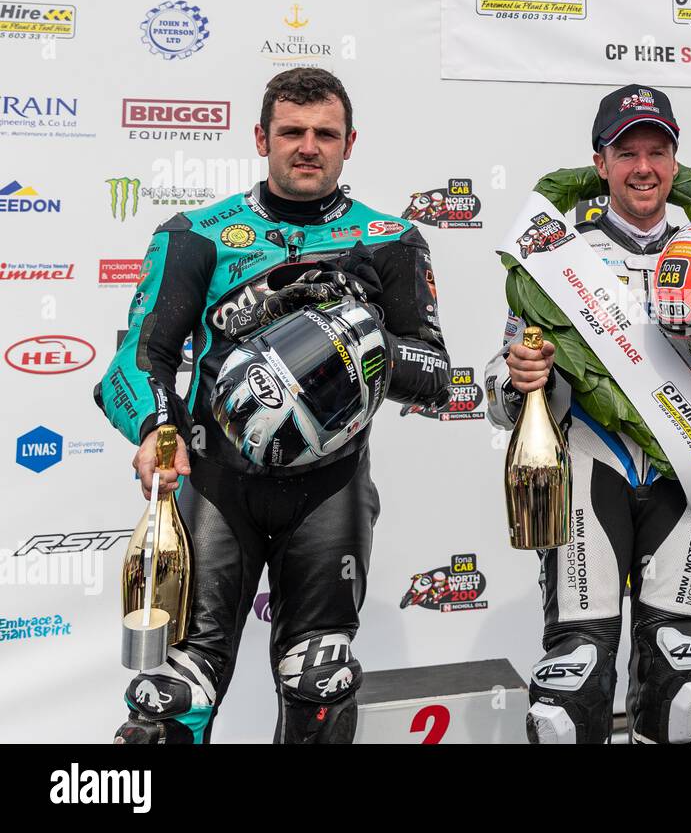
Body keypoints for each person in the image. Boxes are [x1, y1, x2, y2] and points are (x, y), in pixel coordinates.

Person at [95, 68, 454, 743]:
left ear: (351, 143)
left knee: (320, 682)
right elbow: (138, 361)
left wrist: (361, 331)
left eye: (325, 133)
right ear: (262, 137)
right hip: (212, 486)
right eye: (292, 131)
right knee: (170, 695)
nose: (308, 146)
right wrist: (156, 435)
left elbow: (434, 373)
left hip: (330, 492)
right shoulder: (197, 234)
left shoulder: (389, 239)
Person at [485, 84, 691, 743]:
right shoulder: (559, 258)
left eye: (658, 150)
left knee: (680, 671)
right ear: (600, 162)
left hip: (687, 470)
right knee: (573, 677)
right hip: (588, 466)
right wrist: (519, 380)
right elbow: (503, 378)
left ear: (675, 160)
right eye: (627, 151)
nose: (644, 166)